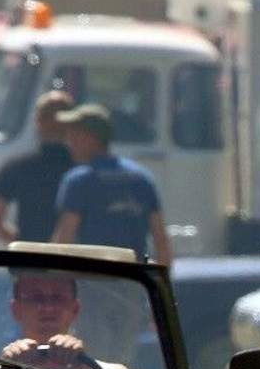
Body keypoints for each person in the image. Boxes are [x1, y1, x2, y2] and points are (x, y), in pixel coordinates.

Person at [50, 104, 171, 265]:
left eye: (73, 134)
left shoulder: (79, 180)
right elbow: (161, 241)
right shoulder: (141, 178)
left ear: (90, 137)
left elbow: (63, 241)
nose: (68, 141)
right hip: (133, 281)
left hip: (93, 280)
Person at [0, 273, 134, 369]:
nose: (48, 308)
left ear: (75, 309)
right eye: (36, 298)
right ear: (16, 310)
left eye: (58, 298)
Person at [0, 90, 74, 244]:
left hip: (29, 263)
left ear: (37, 121)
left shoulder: (17, 167)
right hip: (72, 261)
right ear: (71, 124)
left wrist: (25, 245)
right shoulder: (83, 170)